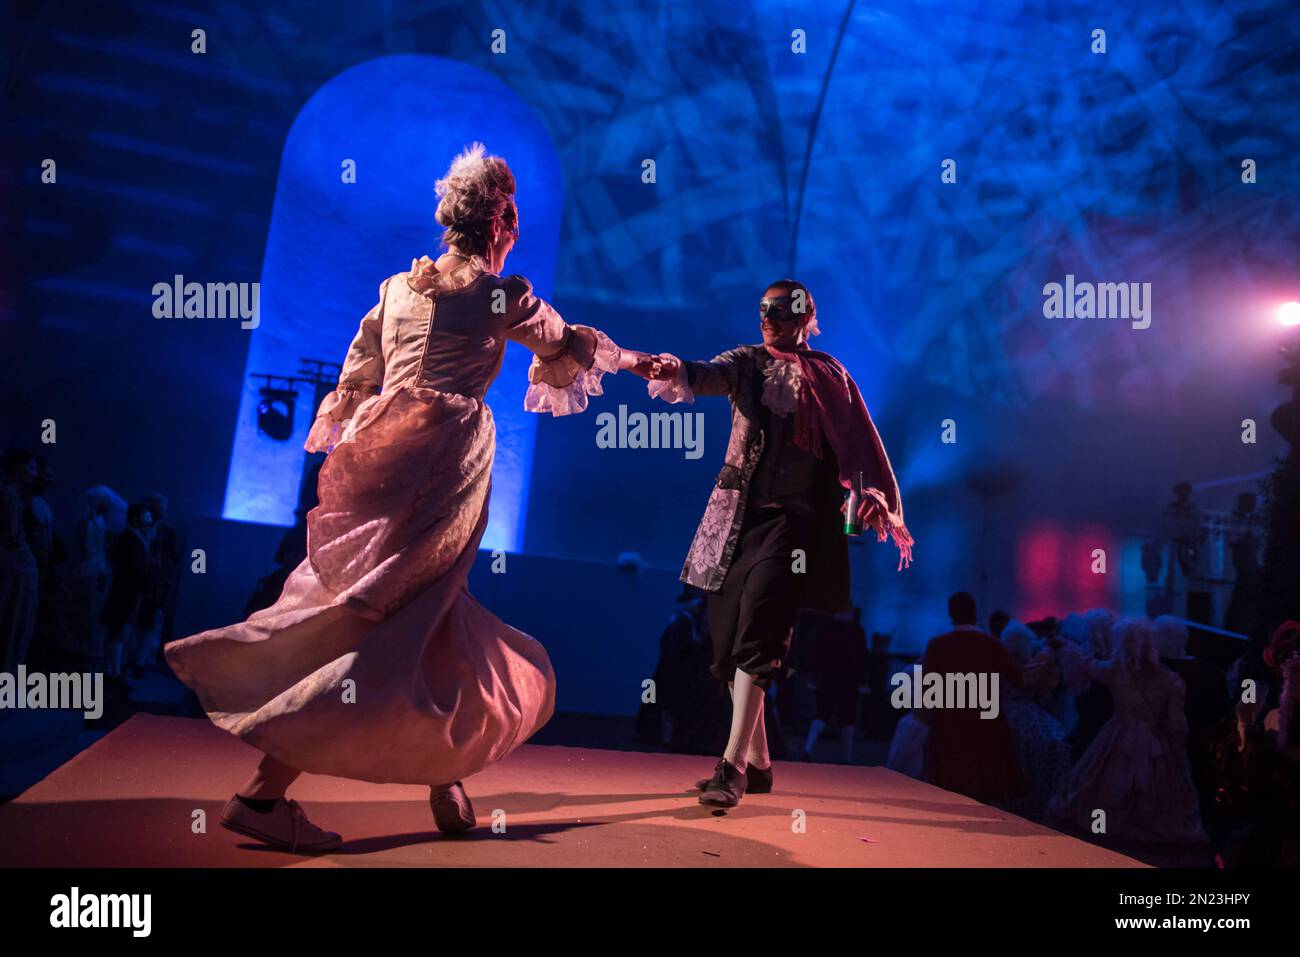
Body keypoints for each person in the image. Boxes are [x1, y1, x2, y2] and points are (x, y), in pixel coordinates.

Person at [164, 144, 660, 853]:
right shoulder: (499, 294)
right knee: (391, 622)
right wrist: (642, 362)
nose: (515, 233)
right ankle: (263, 792)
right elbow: (566, 343)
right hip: (441, 469)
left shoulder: (399, 289)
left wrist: (358, 436)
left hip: (381, 461)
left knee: (410, 613)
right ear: (500, 221)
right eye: (513, 221)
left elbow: (359, 375)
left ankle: (443, 776)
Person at [646, 280, 912, 807]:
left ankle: (733, 767)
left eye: (781, 310)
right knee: (725, 645)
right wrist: (660, 367)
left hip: (795, 527)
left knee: (760, 635)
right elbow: (705, 375)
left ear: (805, 316)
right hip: (735, 522)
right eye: (763, 309)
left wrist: (870, 495)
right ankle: (762, 763)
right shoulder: (747, 362)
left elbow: (859, 441)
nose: (769, 318)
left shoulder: (831, 377)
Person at [1048, 617, 1207, 846]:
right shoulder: (1171, 680)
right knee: (1157, 795)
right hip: (1156, 746)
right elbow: (1177, 724)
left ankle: (1105, 829)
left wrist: (1064, 643)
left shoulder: (1116, 670)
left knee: (1103, 786)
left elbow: (1087, 664)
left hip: (1116, 739)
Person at [919, 592, 1025, 802]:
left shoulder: (937, 645)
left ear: (951, 613)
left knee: (950, 783)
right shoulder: (991, 644)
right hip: (985, 721)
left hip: (948, 721)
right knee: (983, 783)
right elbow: (1018, 677)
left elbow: (928, 690)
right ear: (975, 613)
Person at [1, 448, 40, 672]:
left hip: (17, 564)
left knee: (14, 617)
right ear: (17, 469)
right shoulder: (9, 495)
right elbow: (12, 534)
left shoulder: (13, 496)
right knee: (12, 616)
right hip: (14, 565)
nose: (34, 474)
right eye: (31, 468)